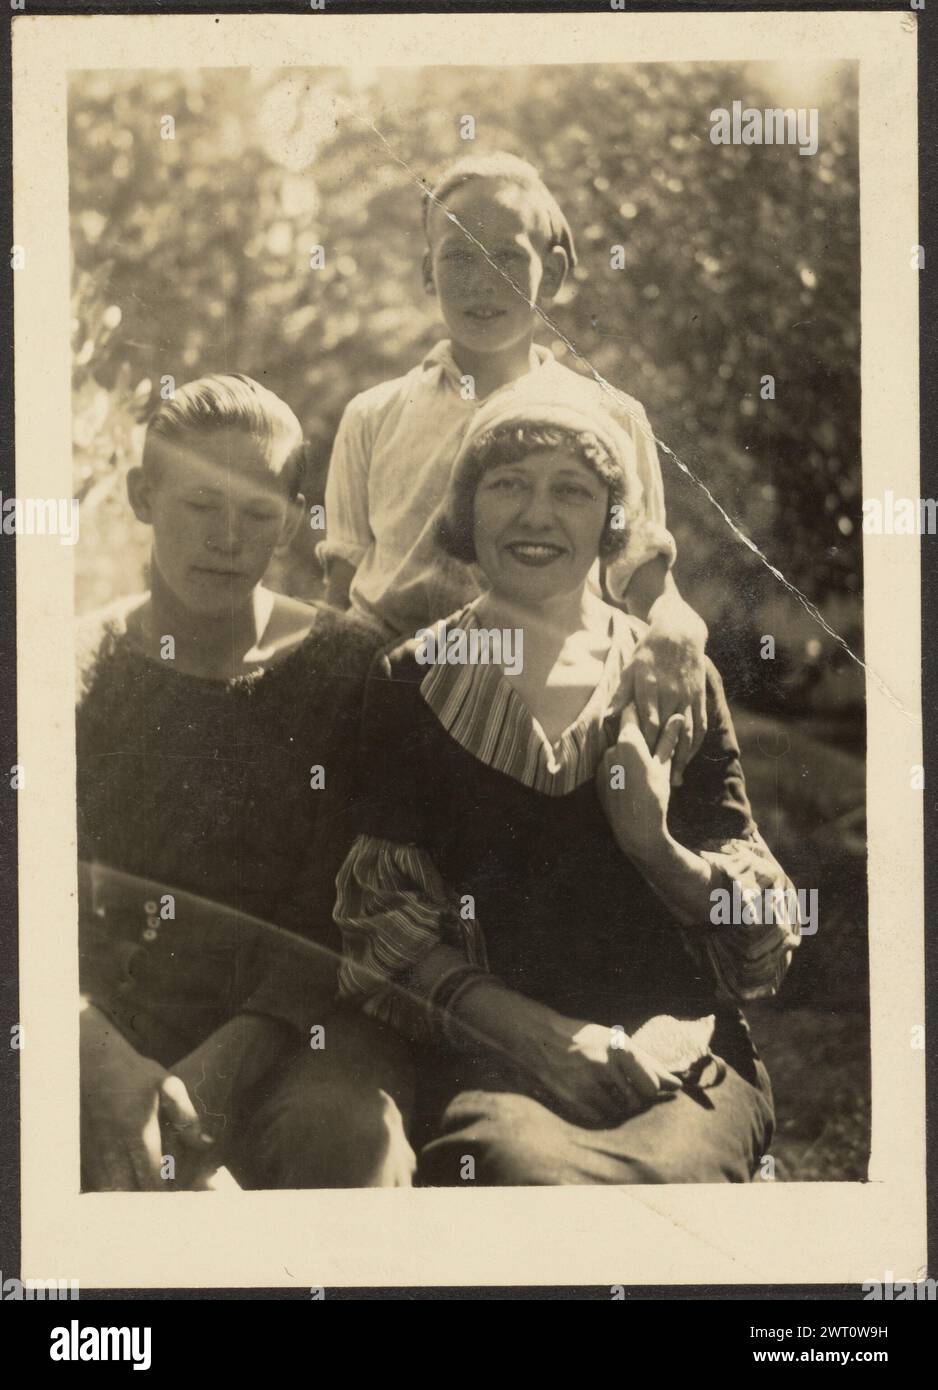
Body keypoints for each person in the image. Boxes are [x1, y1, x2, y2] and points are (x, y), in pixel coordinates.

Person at [333, 385, 801, 1185]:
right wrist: (542, 1038)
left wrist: (655, 849)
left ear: (611, 522)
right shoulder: (409, 681)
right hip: (495, 1058)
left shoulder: (673, 683)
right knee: (513, 1172)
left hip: (677, 1054)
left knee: (667, 1195)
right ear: (465, 513)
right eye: (508, 483)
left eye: (571, 490)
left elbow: (763, 943)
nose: (536, 514)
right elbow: (381, 930)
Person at [77, 373, 415, 1191]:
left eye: (258, 513)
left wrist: (213, 1077)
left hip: (303, 1026)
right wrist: (103, 1062)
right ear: (141, 497)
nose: (227, 537)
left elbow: (338, 910)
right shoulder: (74, 669)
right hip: (105, 1024)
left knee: (343, 1144)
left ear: (292, 523)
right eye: (200, 504)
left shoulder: (349, 668)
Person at [318, 150, 709, 783]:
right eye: (459, 257)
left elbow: (650, 588)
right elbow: (340, 599)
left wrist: (678, 633)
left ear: (550, 274)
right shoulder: (373, 415)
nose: (481, 283)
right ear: (427, 272)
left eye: (506, 256)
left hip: (549, 702)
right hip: (399, 703)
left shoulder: (610, 417)